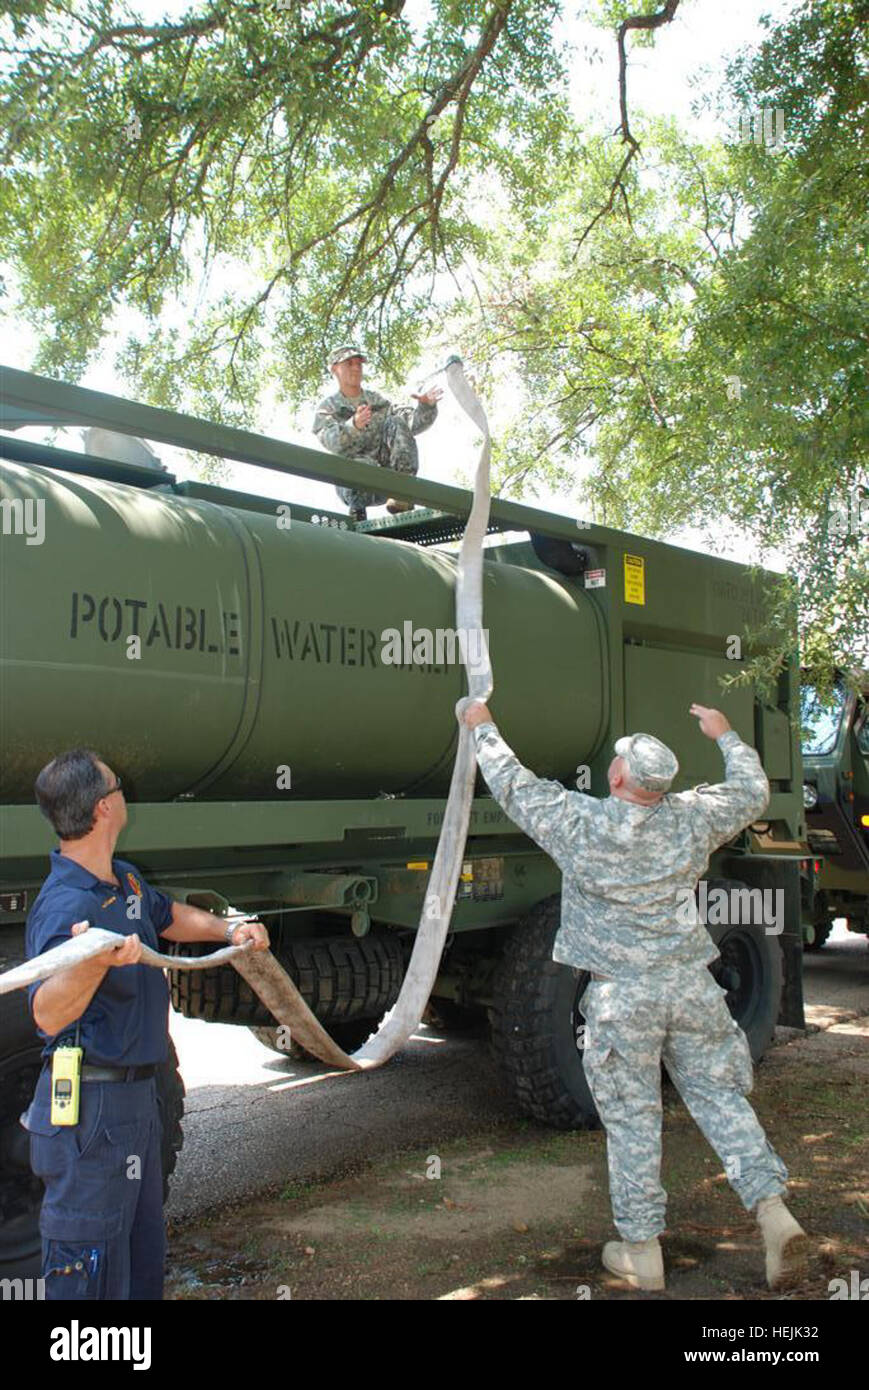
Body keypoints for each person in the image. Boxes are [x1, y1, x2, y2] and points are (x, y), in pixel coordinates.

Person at [458, 698, 810, 1292]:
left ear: (618, 777)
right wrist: (725, 735)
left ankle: (643, 1251)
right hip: (691, 989)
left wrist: (482, 726)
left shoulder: (581, 822)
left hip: (624, 1002)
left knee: (632, 1122)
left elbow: (512, 785)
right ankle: (776, 1217)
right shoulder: (692, 818)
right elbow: (751, 793)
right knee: (722, 1102)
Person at [20, 748, 269, 1300]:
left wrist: (229, 929)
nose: (122, 790)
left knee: (138, 1263)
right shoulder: (64, 904)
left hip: (137, 1104)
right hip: (90, 1111)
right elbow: (46, 1013)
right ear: (104, 807)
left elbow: (168, 914)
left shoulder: (124, 882)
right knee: (87, 1271)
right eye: (116, 785)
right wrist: (92, 961)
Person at [312, 346, 442, 521]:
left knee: (396, 422)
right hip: (355, 486)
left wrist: (426, 406)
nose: (356, 368)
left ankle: (403, 494)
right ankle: (358, 512)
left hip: (387, 480)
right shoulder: (328, 408)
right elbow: (331, 442)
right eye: (349, 363)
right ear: (335, 368)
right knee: (360, 465)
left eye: (359, 364)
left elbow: (411, 424)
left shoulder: (377, 402)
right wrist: (354, 426)